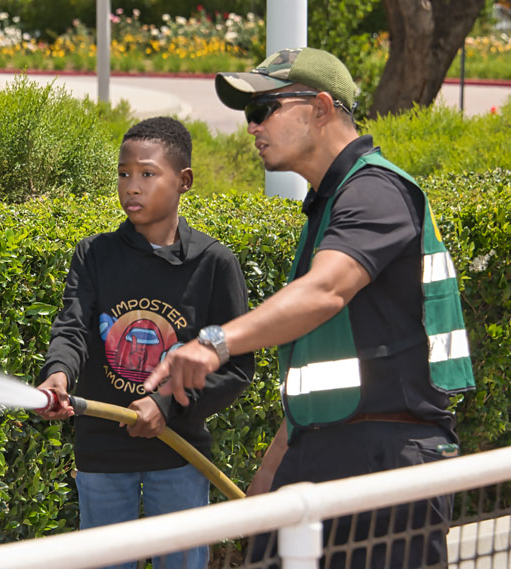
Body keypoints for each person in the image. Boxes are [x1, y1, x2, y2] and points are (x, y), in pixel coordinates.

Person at [143, 48, 475, 568]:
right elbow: (322, 370)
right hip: (329, 452)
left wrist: (214, 343)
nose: (251, 128)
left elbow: (325, 292)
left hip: (387, 466)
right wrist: (272, 474)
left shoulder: (374, 191)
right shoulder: (333, 204)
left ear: (320, 107)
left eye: (263, 110)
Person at [36, 116, 255, 569]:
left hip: (178, 451)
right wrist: (57, 374)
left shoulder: (213, 264)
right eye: (123, 174)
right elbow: (73, 327)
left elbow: (235, 367)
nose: (131, 187)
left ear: (184, 181)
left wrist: (168, 405)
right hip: (101, 450)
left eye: (147, 174)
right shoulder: (94, 254)